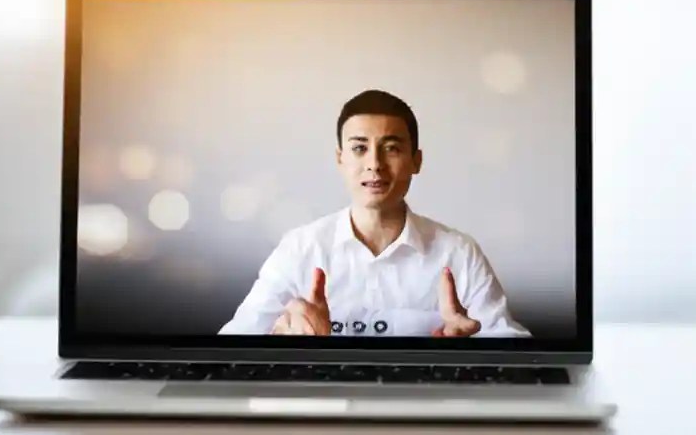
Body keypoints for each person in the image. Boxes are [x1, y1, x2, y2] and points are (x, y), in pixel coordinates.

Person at [220, 90, 530, 337]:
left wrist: (469, 352)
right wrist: (284, 344)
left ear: (416, 161)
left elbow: (513, 348)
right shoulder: (301, 248)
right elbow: (231, 346)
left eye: (391, 148)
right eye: (359, 148)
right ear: (340, 159)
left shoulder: (458, 253)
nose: (375, 164)